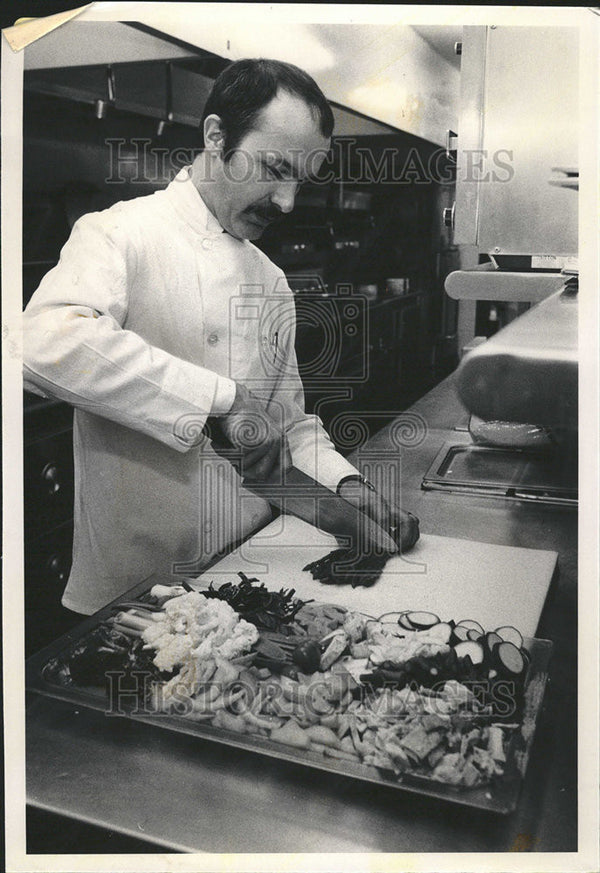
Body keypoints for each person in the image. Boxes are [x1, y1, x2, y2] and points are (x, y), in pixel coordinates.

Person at [23, 58, 419, 617]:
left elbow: (291, 426)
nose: (286, 202)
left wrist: (347, 487)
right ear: (216, 136)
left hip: (247, 578)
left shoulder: (269, 279)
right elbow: (42, 344)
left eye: (298, 181)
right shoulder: (119, 233)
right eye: (274, 168)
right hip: (135, 592)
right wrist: (221, 400)